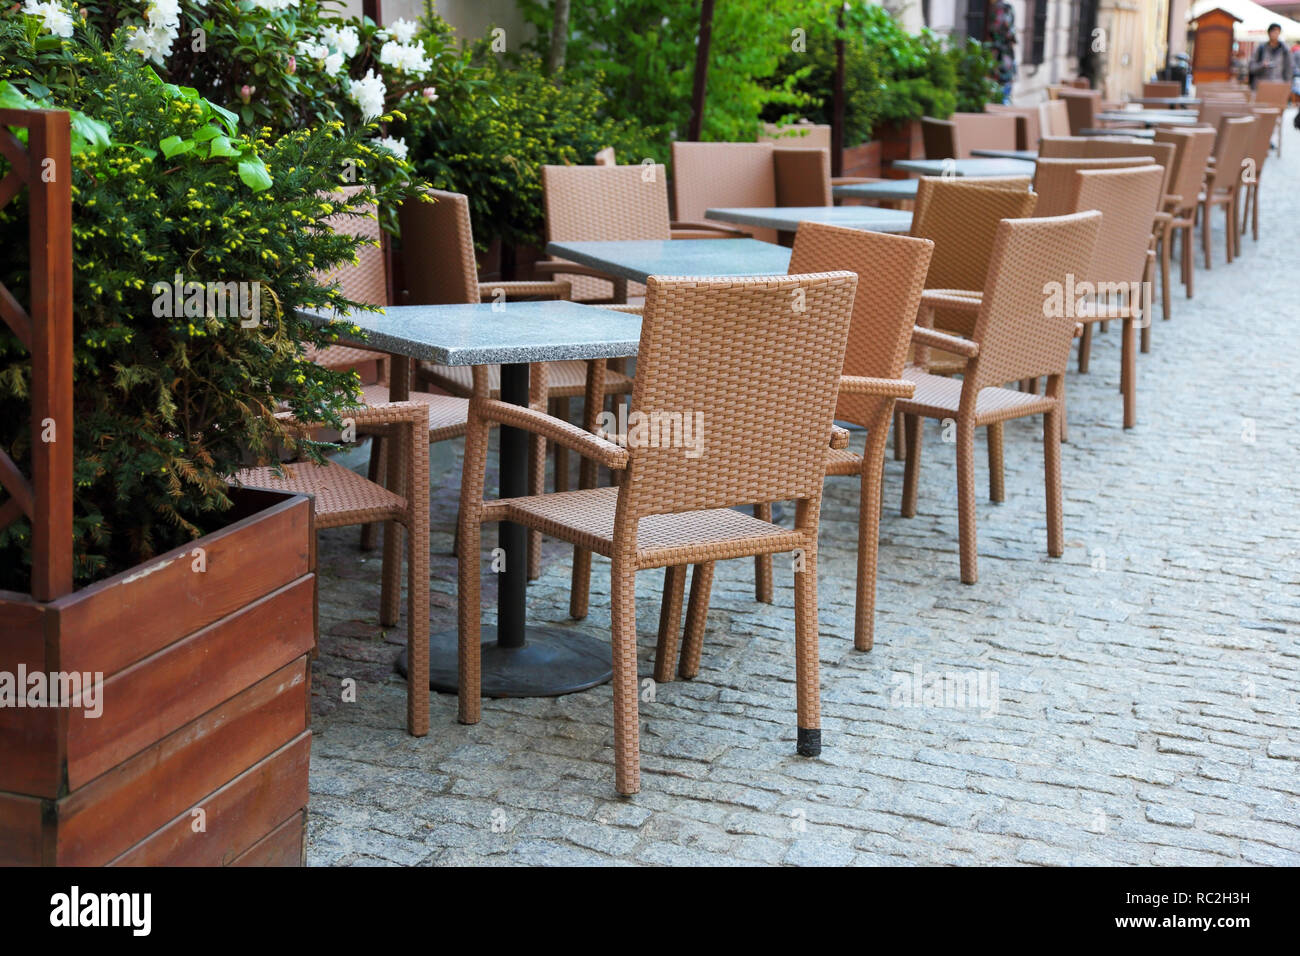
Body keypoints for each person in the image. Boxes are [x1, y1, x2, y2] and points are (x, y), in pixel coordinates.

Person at [1250, 24, 1293, 88]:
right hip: (1262, 85)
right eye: (1273, 32)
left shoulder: (1285, 49)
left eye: (1277, 32)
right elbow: (1251, 68)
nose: (1274, 34)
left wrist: (1288, 84)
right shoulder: (1260, 48)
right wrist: (1262, 65)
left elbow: (1289, 68)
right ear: (1268, 33)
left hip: (1279, 85)